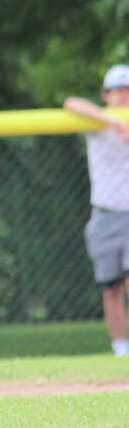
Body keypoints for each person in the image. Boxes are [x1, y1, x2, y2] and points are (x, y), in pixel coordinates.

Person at [63, 63, 129, 357]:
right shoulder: (97, 123)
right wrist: (110, 121)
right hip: (104, 214)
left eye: (127, 90)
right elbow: (70, 103)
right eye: (116, 91)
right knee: (111, 286)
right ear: (105, 95)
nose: (122, 96)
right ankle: (120, 349)